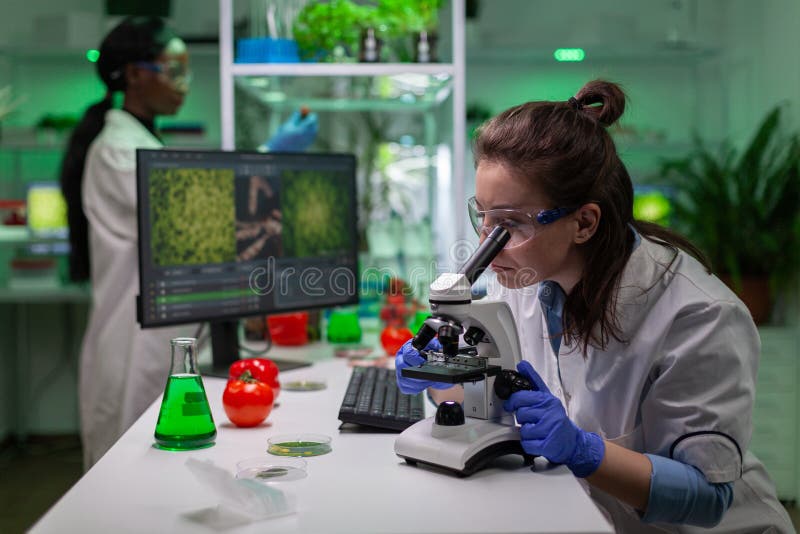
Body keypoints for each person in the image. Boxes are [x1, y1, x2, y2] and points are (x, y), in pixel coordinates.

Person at [395, 80, 793, 532]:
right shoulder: (526, 279)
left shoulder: (699, 316)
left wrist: (584, 450)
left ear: (584, 222)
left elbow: (706, 497)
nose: (488, 242)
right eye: (482, 216)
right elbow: (497, 400)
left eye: (510, 224)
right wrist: (438, 378)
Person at [62, 16, 318, 468]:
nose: (183, 84)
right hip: (133, 341)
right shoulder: (118, 150)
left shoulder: (141, 143)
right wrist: (269, 156)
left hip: (159, 333)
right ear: (135, 74)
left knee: (160, 466)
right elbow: (198, 215)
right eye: (174, 70)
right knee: (126, 472)